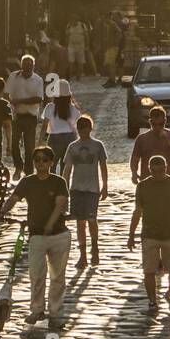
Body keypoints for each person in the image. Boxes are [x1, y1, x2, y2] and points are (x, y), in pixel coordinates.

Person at [1, 146, 70, 330]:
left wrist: (50, 224)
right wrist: (1, 212)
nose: (41, 162)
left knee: (57, 277)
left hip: (58, 235)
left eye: (44, 159)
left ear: (51, 162)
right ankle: (37, 309)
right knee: (37, 275)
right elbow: (14, 198)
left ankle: (55, 313)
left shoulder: (58, 182)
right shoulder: (27, 182)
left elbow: (60, 205)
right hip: (36, 235)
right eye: (37, 159)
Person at [128, 155, 170, 315]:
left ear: (166, 168)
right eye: (154, 171)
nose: (158, 173)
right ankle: (152, 301)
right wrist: (131, 234)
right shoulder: (143, 186)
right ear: (150, 169)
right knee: (149, 270)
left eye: (161, 170)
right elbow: (138, 211)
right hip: (149, 234)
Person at [62, 114, 109, 269]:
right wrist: (64, 188)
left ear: (90, 128)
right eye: (80, 128)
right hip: (76, 189)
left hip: (92, 189)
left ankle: (94, 247)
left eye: (86, 128)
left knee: (92, 220)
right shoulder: (73, 147)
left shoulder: (98, 145)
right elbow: (67, 170)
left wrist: (105, 185)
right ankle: (83, 255)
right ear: (78, 129)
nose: (83, 131)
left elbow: (103, 166)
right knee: (79, 222)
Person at [6, 55, 45, 180]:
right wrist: (11, 104)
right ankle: (18, 166)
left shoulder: (38, 80)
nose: (27, 68)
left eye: (30, 66)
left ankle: (28, 171)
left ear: (33, 66)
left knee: (29, 147)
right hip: (16, 116)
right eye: (25, 65)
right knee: (13, 144)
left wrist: (20, 101)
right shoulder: (14, 77)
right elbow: (7, 93)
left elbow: (38, 98)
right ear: (21, 65)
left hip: (30, 117)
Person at [130, 106, 170, 183]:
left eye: (161, 124)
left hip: (169, 182)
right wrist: (134, 173)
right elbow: (135, 158)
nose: (157, 127)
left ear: (165, 121)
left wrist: (169, 141)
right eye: (154, 124)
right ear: (150, 122)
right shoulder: (142, 138)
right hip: (148, 181)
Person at [39, 79, 81, 172]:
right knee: (66, 167)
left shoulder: (50, 107)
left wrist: (41, 141)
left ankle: (52, 185)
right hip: (70, 138)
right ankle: (64, 185)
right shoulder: (74, 109)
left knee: (50, 165)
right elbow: (77, 126)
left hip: (54, 138)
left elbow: (44, 127)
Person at [102, 11, 124, 87]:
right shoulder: (108, 25)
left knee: (112, 65)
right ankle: (111, 79)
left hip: (112, 47)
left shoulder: (112, 24)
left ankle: (112, 80)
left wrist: (115, 42)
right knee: (109, 64)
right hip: (109, 47)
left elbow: (119, 32)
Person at [66, 16, 88, 81]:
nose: (72, 21)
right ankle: (70, 76)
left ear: (76, 20)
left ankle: (79, 77)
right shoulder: (69, 26)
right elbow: (67, 35)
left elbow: (87, 35)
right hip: (71, 46)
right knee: (70, 62)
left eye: (74, 20)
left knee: (80, 62)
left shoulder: (82, 25)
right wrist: (66, 45)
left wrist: (87, 45)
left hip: (80, 46)